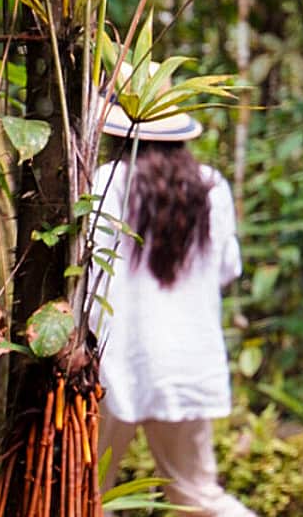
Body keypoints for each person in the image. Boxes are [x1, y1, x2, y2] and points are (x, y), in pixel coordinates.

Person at [89, 73, 255, 517]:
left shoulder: (106, 183)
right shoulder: (211, 186)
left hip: (113, 360)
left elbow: (89, 275)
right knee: (197, 494)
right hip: (185, 359)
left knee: (86, 495)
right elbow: (227, 269)